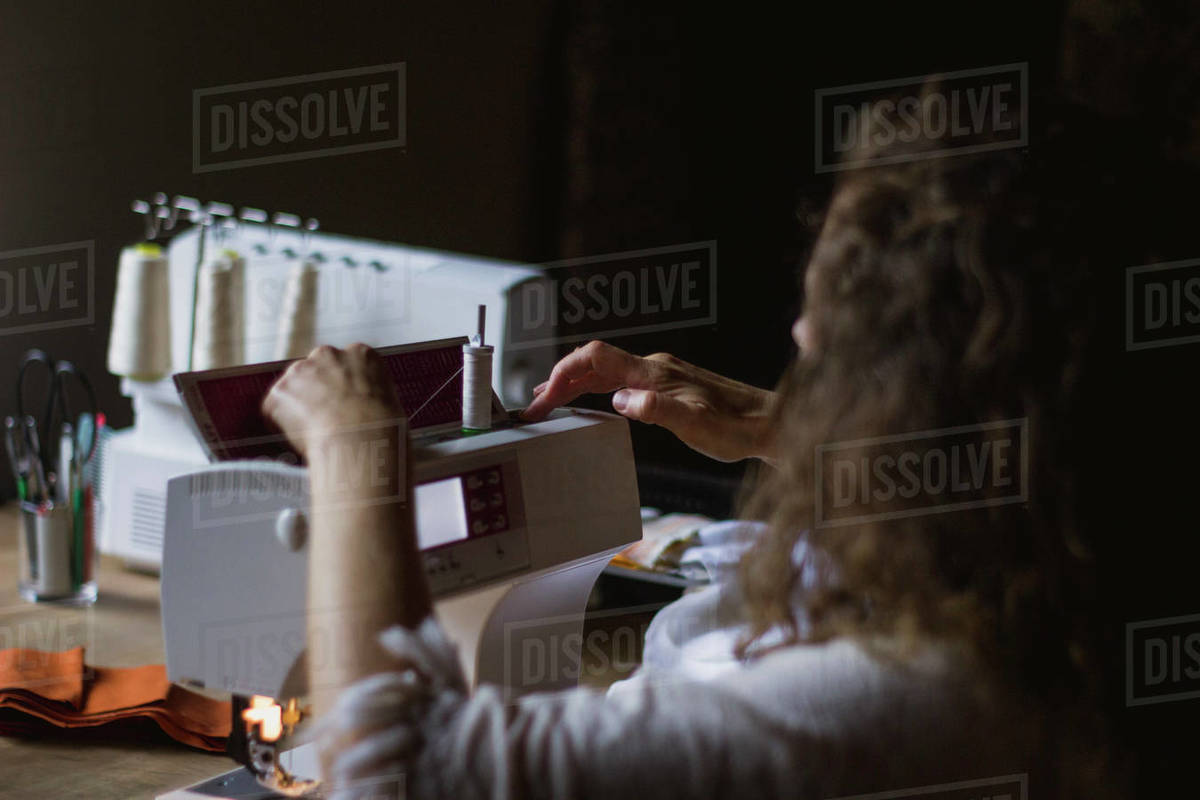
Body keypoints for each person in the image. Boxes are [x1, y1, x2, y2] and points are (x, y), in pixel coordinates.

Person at [261, 126, 1125, 799]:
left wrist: (355, 452)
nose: (801, 337)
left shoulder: (909, 701)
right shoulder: (1044, 589)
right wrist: (777, 425)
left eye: (849, 348)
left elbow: (390, 772)